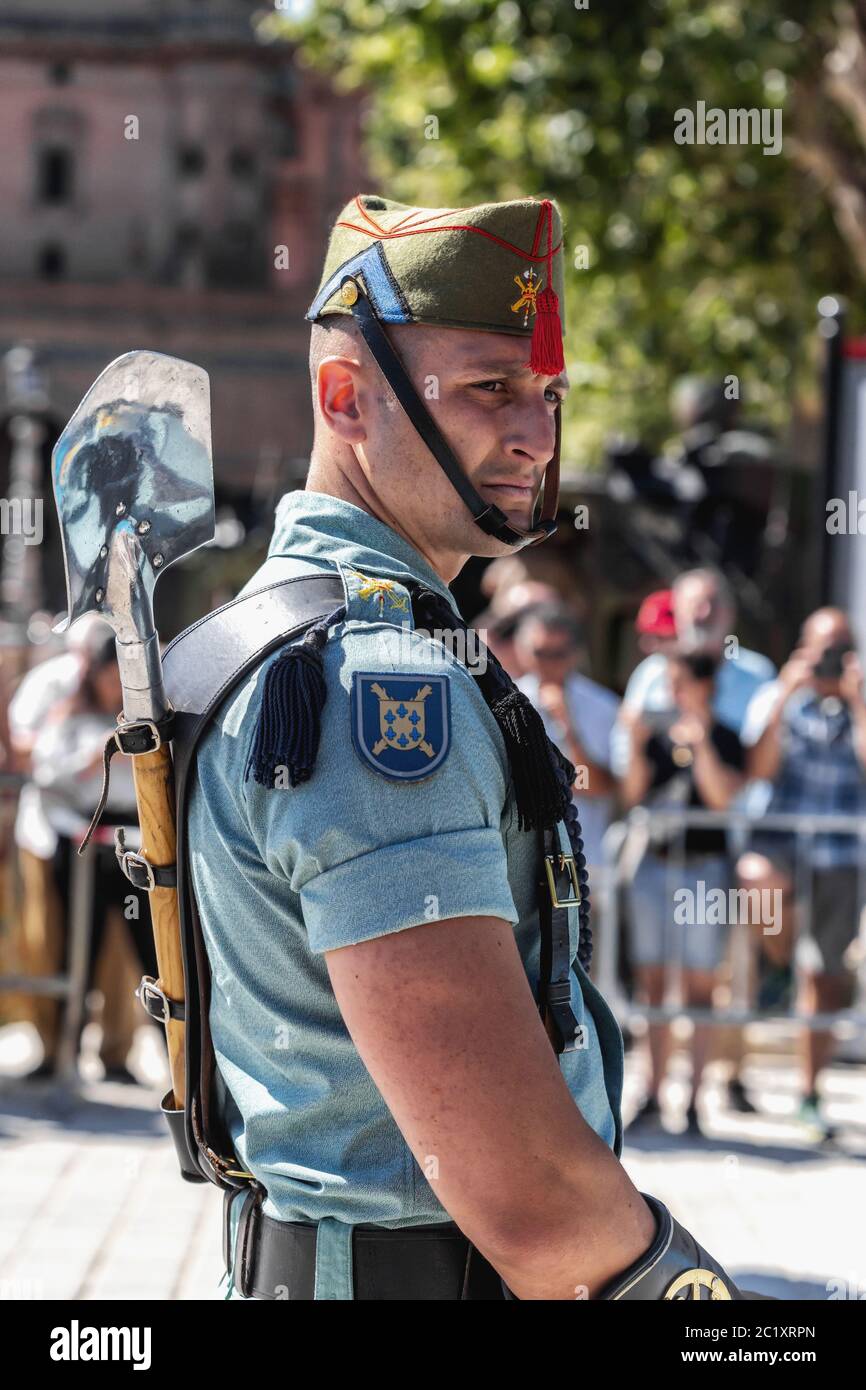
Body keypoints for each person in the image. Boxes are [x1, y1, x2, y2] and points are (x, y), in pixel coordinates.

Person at [180, 193, 769, 1300]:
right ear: (345, 399)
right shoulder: (378, 675)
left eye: (547, 393)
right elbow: (531, 1203)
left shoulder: (284, 628)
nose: (537, 435)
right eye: (491, 388)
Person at [739, 607, 866, 1140]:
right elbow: (759, 768)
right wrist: (787, 692)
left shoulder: (862, 702)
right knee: (755, 877)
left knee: (824, 975)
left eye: (839, 648)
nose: (829, 660)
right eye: (821, 648)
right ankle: (777, 962)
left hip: (841, 857)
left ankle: (809, 1094)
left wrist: (857, 700)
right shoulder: (780, 696)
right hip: (782, 844)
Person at [12, 627, 154, 1082]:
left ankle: (175, 1056)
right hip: (79, 844)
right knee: (76, 949)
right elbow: (46, 774)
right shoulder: (66, 713)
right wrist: (96, 759)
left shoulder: (151, 714)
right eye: (108, 673)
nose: (115, 684)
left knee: (149, 951)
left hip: (135, 847)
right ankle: (61, 1052)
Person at [620, 652, 746, 1136]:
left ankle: (694, 1099)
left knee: (699, 986)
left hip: (703, 870)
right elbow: (633, 794)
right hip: (655, 865)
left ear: (704, 687)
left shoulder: (727, 736)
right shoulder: (656, 736)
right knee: (653, 984)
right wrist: (634, 746)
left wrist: (702, 746)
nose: (671, 693)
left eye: (680, 684)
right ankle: (652, 1091)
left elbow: (721, 799)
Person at [515, 603, 618, 872]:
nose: (548, 664)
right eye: (540, 653)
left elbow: (595, 785)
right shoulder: (506, 700)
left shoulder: (602, 706)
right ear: (522, 651)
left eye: (558, 654)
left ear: (575, 655)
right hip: (523, 856)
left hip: (584, 855)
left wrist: (568, 726)